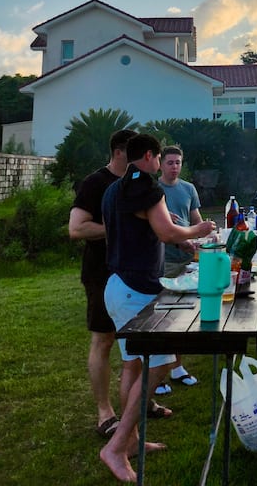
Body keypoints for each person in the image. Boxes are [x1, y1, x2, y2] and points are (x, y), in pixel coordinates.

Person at [99, 133, 217, 483]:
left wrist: (184, 242)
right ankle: (117, 447)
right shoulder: (148, 189)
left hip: (118, 286)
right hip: (135, 291)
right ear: (150, 156)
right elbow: (166, 232)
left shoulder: (114, 190)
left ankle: (132, 440)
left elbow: (139, 233)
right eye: (159, 157)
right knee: (160, 364)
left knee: (134, 367)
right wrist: (201, 228)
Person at [69, 128, 140, 439]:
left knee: (139, 341)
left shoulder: (137, 182)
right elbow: (76, 228)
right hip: (102, 273)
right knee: (104, 340)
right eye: (135, 153)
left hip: (135, 274)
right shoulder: (95, 183)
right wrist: (116, 230)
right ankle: (104, 413)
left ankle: (139, 403)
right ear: (119, 152)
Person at [156, 144, 202, 392]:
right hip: (164, 260)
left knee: (182, 316)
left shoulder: (188, 189)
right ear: (161, 164)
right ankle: (158, 374)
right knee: (162, 317)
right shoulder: (154, 190)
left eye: (178, 163)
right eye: (170, 163)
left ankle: (176, 367)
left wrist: (204, 234)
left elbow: (196, 220)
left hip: (188, 259)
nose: (174, 167)